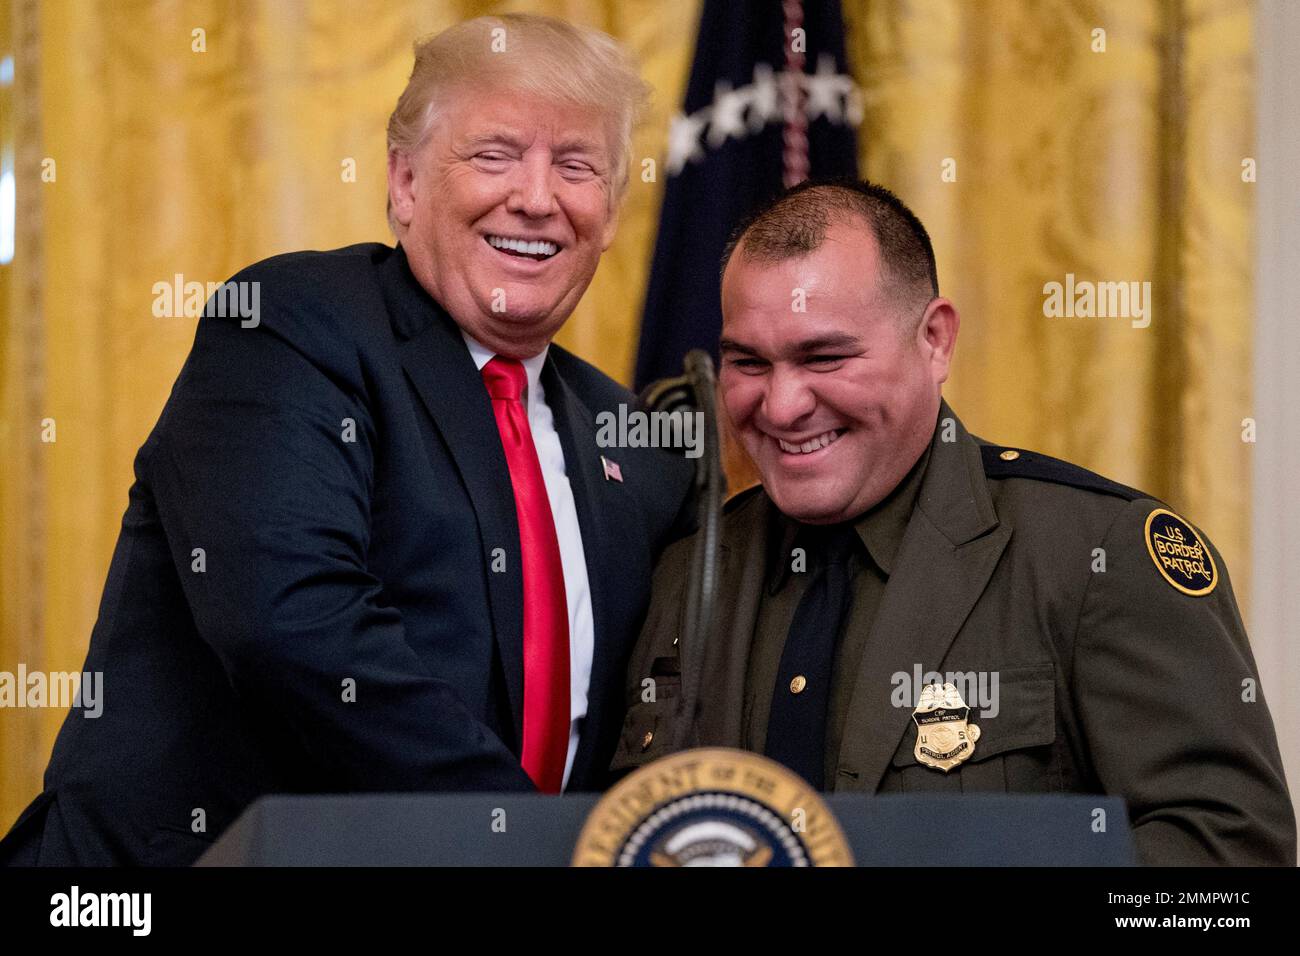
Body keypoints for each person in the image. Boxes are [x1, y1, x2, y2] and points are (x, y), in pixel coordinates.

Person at [0, 14, 692, 866]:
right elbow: (292, 626)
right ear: (404, 184)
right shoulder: (291, 329)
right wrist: (543, 847)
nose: (539, 197)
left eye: (577, 166)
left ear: (612, 212)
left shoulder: (643, 451)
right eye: (495, 155)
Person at [615, 178, 1296, 866]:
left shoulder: (1096, 553)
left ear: (935, 340)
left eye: (824, 357)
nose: (782, 405)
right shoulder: (687, 570)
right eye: (749, 363)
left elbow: (1231, 859)